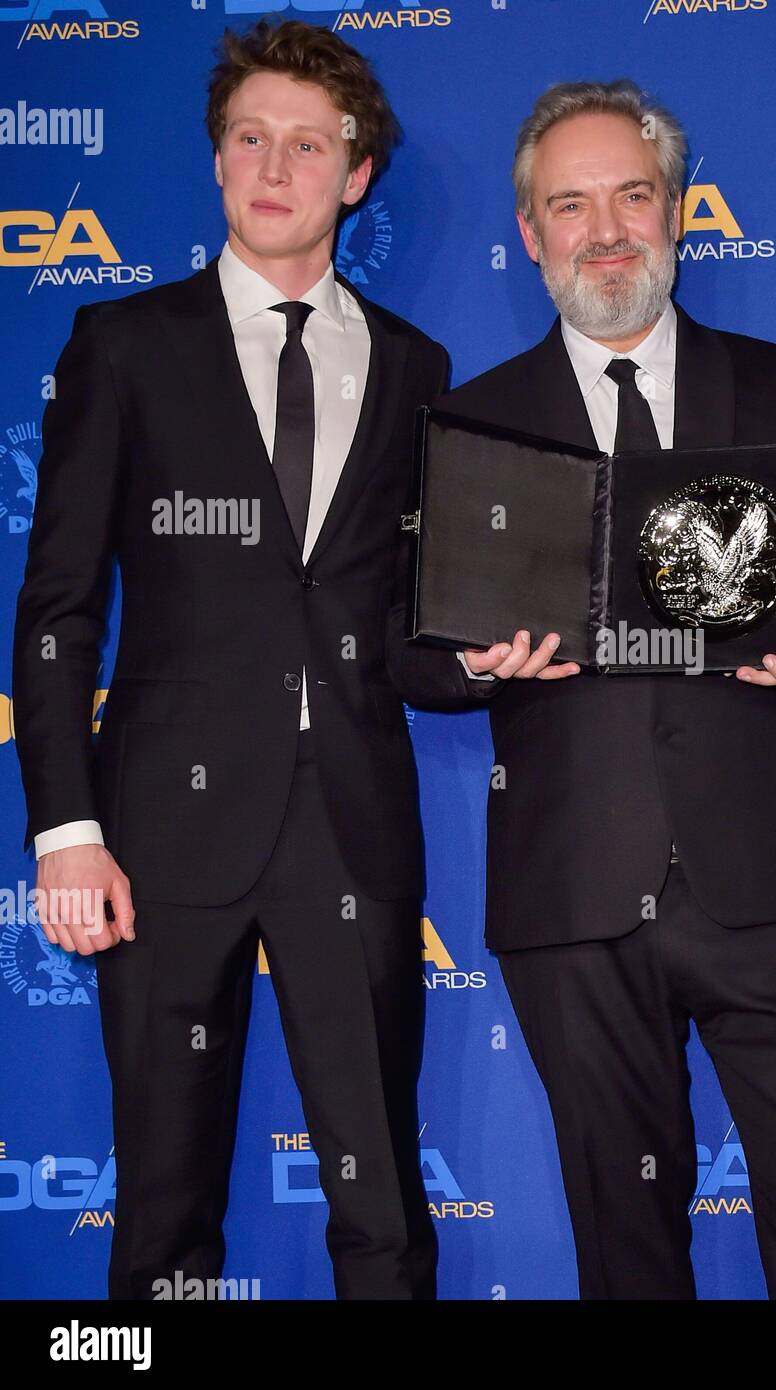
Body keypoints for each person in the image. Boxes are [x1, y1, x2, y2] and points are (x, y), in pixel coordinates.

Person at [401, 80, 776, 1300]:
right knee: (623, 1244)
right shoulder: (468, 423)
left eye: (631, 195)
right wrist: (475, 661)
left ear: (677, 213)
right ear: (529, 235)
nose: (604, 229)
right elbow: (403, 648)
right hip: (572, 894)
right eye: (567, 205)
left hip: (770, 883)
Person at [12, 18, 472, 1299]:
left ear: (357, 175)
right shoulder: (123, 345)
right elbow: (57, 607)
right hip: (158, 831)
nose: (278, 167)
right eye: (252, 139)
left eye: (310, 144)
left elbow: (404, 631)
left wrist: (493, 657)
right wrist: (66, 832)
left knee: (383, 1209)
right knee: (161, 1214)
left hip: (354, 830)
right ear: (218, 162)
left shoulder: (414, 367)